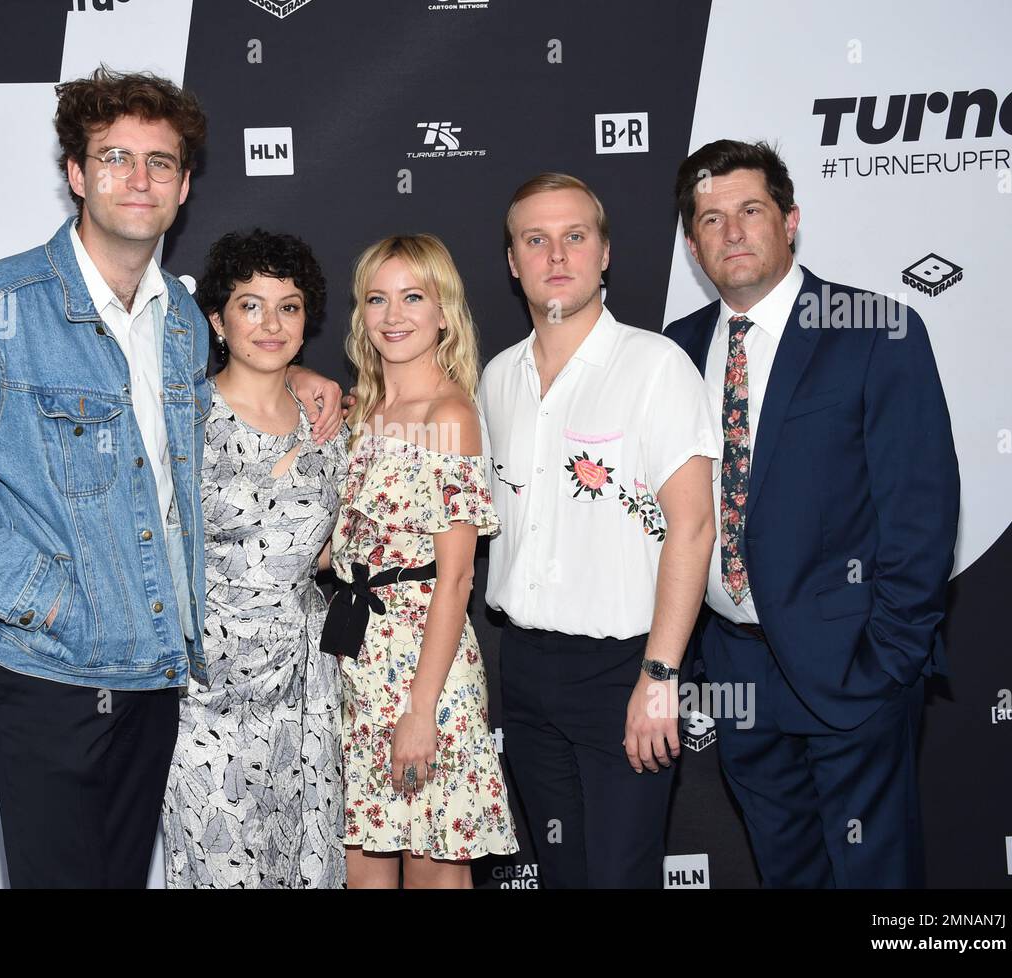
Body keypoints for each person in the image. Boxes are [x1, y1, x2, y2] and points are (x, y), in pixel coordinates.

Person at [0, 67, 342, 888]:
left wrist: (300, 380)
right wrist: (45, 598)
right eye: (115, 157)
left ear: (185, 187)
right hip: (47, 670)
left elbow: (216, 424)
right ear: (77, 175)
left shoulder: (186, 323)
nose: (138, 178)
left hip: (158, 669)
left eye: (160, 163)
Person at [663, 140, 959, 888]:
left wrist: (887, 660)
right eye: (710, 218)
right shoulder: (675, 351)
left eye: (750, 211)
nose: (731, 232)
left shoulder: (875, 330)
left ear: (790, 221)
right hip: (735, 671)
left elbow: (920, 513)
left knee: (875, 880)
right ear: (692, 244)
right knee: (786, 872)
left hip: (853, 668)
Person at [479, 173, 719, 888]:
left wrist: (660, 674)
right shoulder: (497, 379)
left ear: (605, 252)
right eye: (536, 239)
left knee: (620, 876)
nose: (557, 254)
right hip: (524, 670)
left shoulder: (656, 367)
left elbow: (694, 527)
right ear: (513, 261)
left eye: (575, 236)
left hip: (626, 670)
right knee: (562, 872)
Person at [322, 234, 518, 888]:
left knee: (434, 873)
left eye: (413, 296)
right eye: (377, 299)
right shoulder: (362, 413)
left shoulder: (450, 413)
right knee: (363, 874)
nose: (393, 314)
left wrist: (420, 710)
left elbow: (457, 575)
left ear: (443, 312)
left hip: (421, 672)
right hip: (354, 668)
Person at [161, 229, 346, 888]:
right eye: (251, 305)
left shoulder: (328, 421)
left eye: (288, 306)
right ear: (217, 319)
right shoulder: (181, 420)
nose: (271, 324)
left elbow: (329, 552)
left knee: (308, 866)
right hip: (208, 698)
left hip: (307, 691)